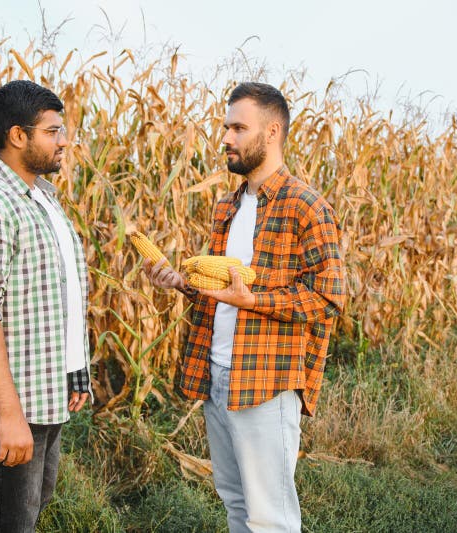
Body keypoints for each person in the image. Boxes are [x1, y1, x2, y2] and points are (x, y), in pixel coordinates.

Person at [144, 82, 346, 532]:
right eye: (225, 127)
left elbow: (328, 298)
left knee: (268, 518)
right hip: (218, 376)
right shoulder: (229, 207)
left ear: (272, 132)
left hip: (265, 383)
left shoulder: (306, 207)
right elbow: (223, 294)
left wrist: (254, 300)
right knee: (236, 504)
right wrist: (182, 284)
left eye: (238, 128)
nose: (227, 138)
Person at [0, 80, 91, 532]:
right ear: (17, 136)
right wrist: (8, 413)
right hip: (11, 403)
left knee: (30, 510)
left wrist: (75, 369)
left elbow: (56, 294)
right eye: (53, 131)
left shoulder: (41, 198)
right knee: (7, 522)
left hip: (46, 389)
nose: (64, 140)